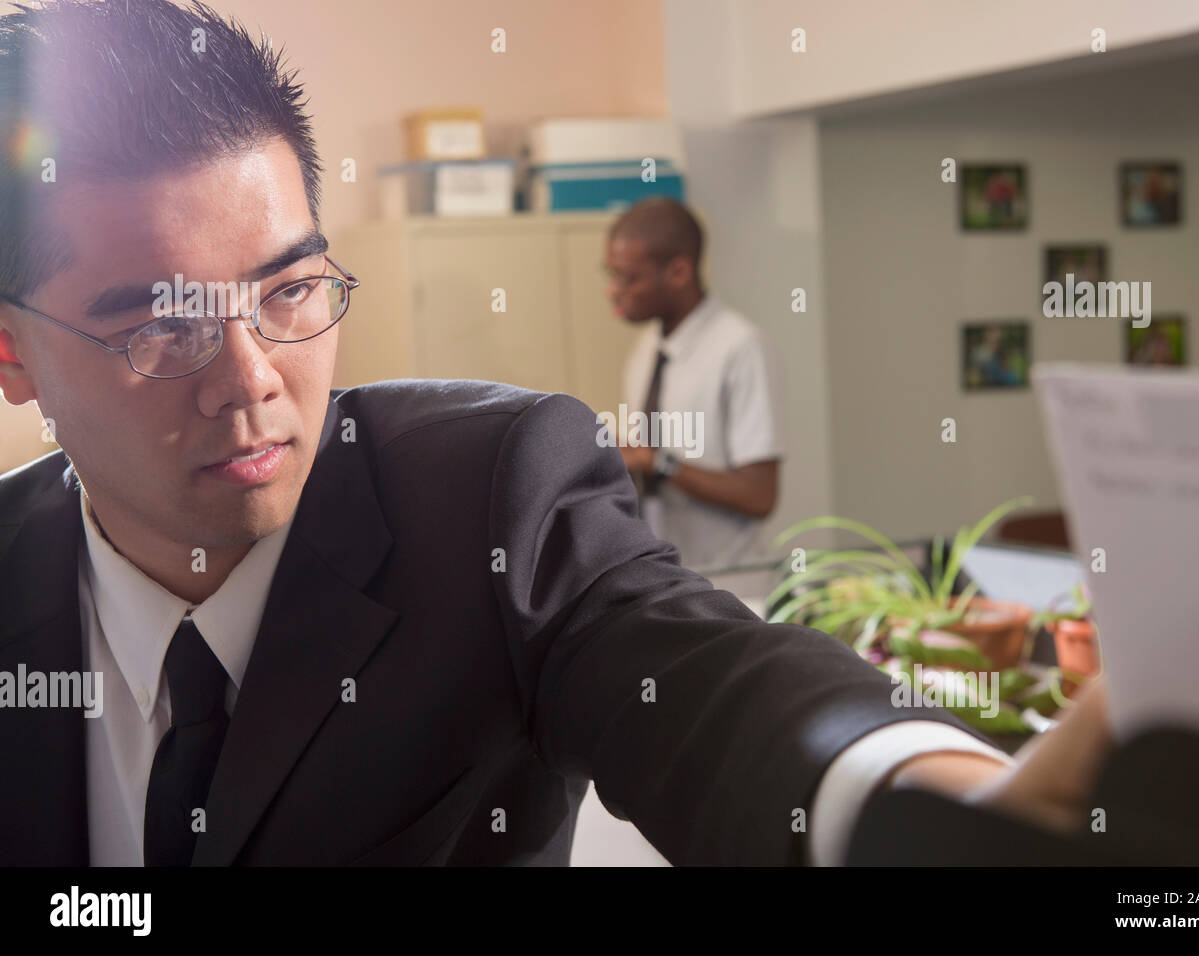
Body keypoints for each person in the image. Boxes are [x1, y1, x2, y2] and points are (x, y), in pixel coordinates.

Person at [0, 0, 1107, 867]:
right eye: (159, 325)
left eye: (289, 290)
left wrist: (947, 810)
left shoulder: (486, 499)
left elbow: (701, 683)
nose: (252, 381)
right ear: (14, 355)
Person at [606, 197, 782, 571]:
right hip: (665, 578)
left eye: (628, 278)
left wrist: (659, 463)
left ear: (679, 272)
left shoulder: (740, 346)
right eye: (610, 275)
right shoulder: (646, 350)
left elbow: (760, 495)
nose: (613, 290)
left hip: (730, 582)